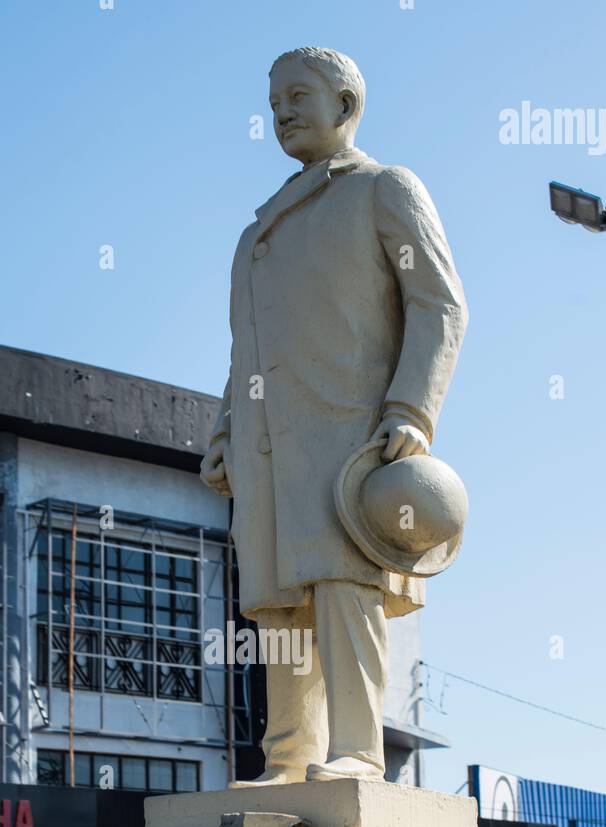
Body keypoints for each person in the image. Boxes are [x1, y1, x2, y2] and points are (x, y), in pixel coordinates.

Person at [200, 47, 467, 784]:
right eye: (272, 100)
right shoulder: (255, 234)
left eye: (296, 95)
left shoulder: (384, 189)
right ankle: (288, 759)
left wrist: (410, 409)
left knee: (343, 588)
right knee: (278, 607)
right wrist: (225, 429)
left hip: (351, 432)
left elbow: (439, 305)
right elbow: (242, 350)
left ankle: (358, 749)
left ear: (345, 106)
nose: (279, 111)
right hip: (267, 448)